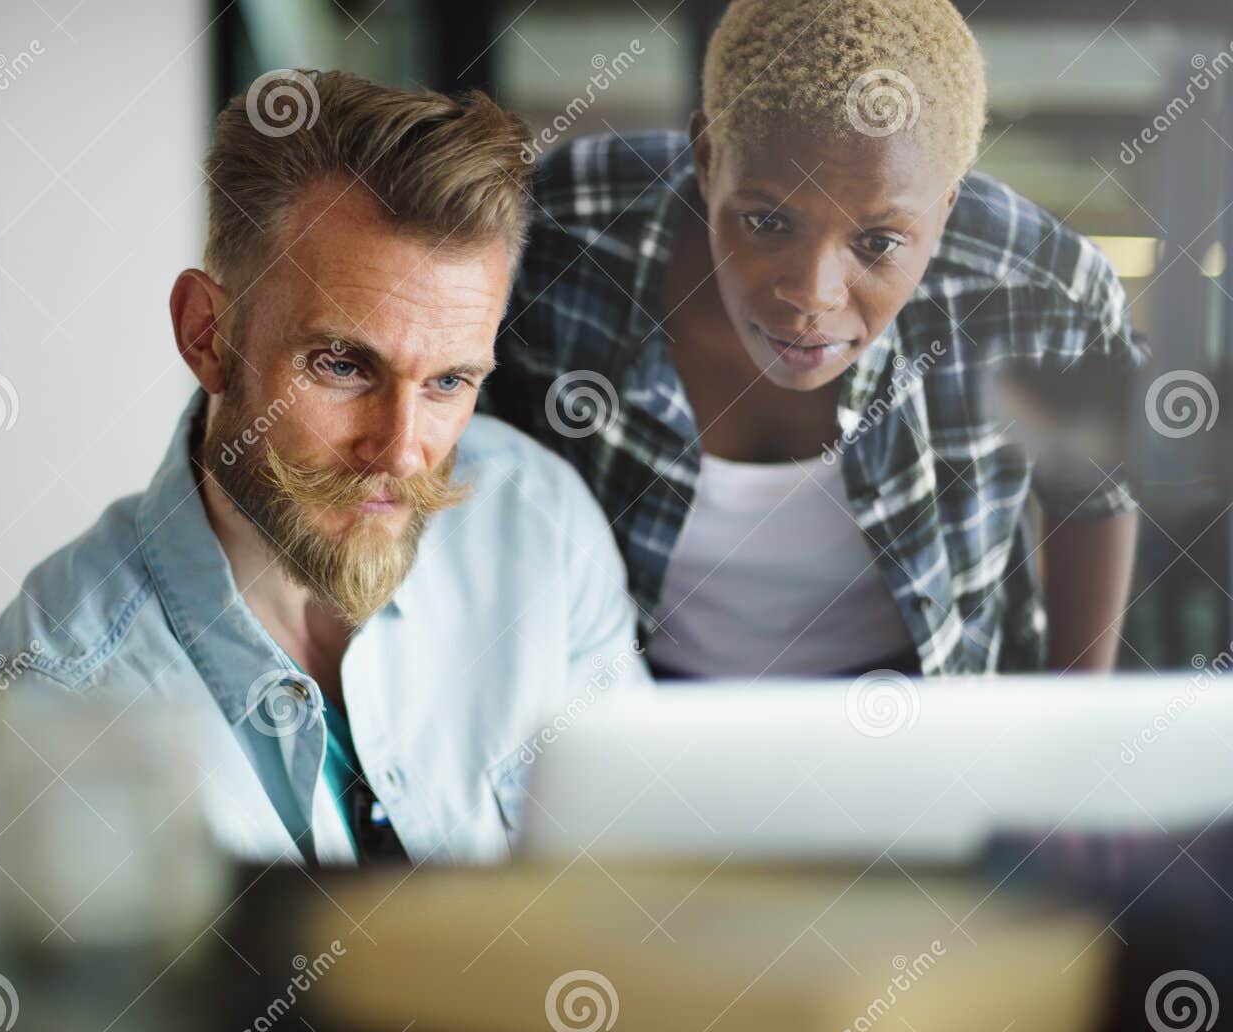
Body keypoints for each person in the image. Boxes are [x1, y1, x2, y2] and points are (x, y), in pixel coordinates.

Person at [0, 70, 646, 867]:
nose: (401, 452)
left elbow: (634, 885)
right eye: (341, 366)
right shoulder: (63, 691)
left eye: (449, 382)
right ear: (207, 335)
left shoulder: (544, 525)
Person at [485, 0, 1148, 679]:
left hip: (922, 727)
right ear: (707, 161)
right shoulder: (559, 231)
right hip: (642, 717)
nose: (811, 294)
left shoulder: (1040, 288)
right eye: (767, 222)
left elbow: (1094, 494)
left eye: (879, 241)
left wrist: (1075, 744)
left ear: (947, 205)